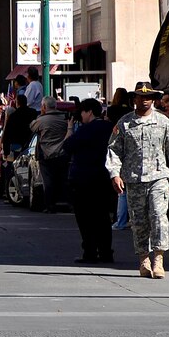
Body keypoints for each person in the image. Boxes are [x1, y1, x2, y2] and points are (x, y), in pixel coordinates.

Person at [106, 82, 169, 279]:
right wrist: (115, 174)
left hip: (158, 177)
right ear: (134, 99)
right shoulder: (124, 123)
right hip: (134, 180)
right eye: (140, 96)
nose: (144, 100)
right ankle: (144, 259)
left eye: (148, 97)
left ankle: (158, 259)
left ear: (153, 99)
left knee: (159, 216)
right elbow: (114, 150)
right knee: (139, 221)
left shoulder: (164, 123)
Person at [61, 99, 115, 263]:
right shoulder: (109, 128)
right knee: (103, 217)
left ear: (89, 111)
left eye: (82, 113)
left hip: (84, 178)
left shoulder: (86, 130)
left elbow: (67, 146)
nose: (81, 116)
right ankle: (106, 251)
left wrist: (70, 128)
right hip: (104, 177)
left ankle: (90, 252)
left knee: (85, 218)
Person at [31, 96, 70, 212]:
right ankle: (68, 203)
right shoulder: (64, 118)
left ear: (43, 107)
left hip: (46, 153)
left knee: (48, 181)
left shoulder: (41, 120)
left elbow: (32, 127)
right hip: (62, 152)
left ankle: (50, 205)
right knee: (64, 179)